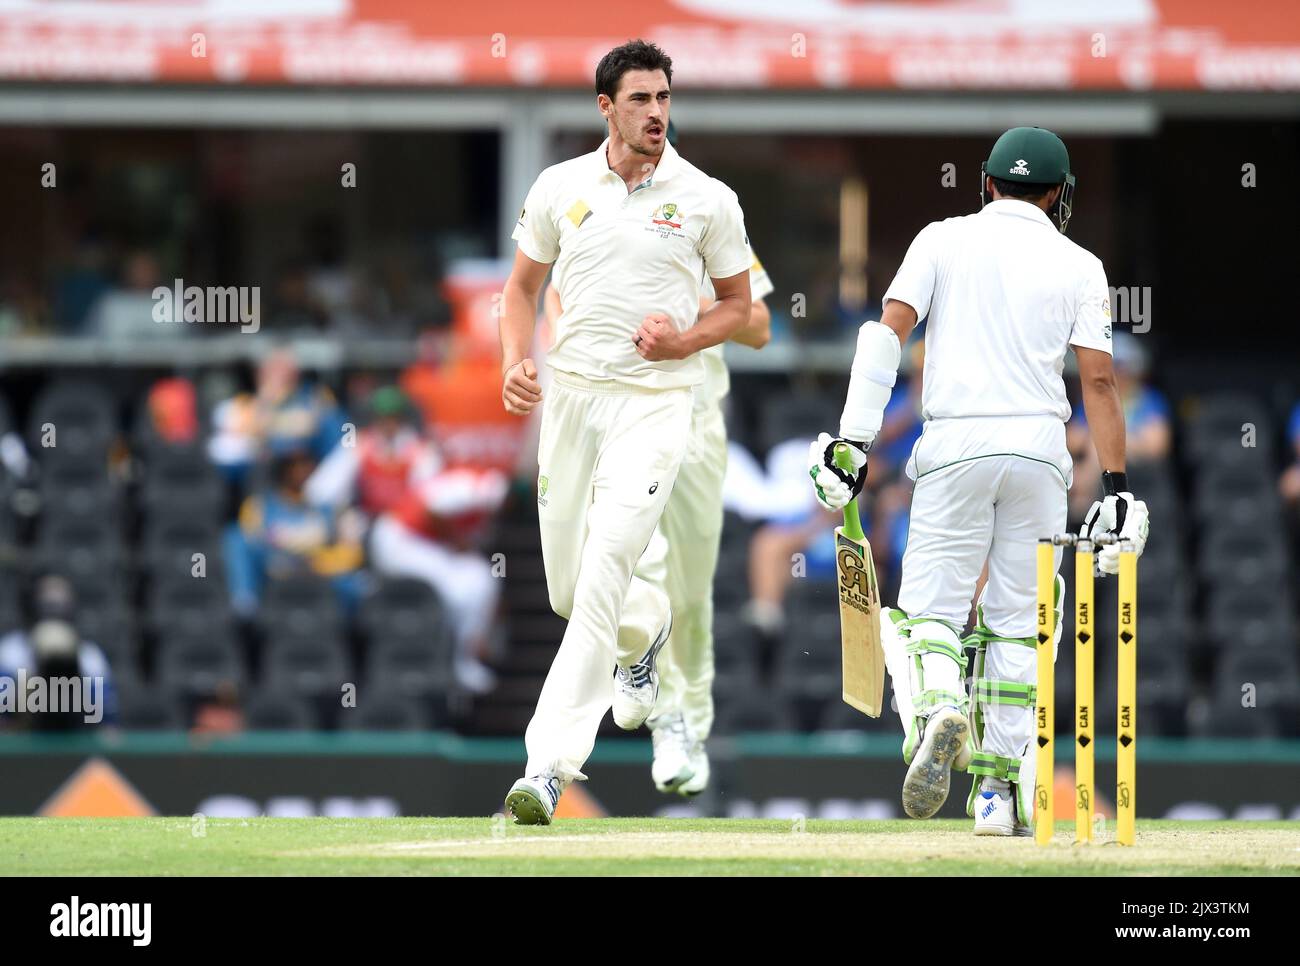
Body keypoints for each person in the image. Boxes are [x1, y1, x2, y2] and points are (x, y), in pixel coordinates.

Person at [808, 127, 1150, 836]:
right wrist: (1117, 486)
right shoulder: (1081, 264)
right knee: (1020, 625)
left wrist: (853, 440)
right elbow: (1099, 381)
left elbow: (885, 334)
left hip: (955, 445)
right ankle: (995, 797)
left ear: (987, 182)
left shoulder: (941, 238)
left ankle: (938, 707)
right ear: (1057, 194)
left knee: (928, 612)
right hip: (1039, 454)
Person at [498, 39, 753, 824]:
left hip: (655, 404)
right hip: (572, 403)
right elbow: (520, 289)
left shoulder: (707, 197)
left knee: (608, 565)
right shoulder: (559, 186)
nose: (655, 113)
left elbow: (741, 309)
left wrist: (683, 341)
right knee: (573, 592)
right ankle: (644, 637)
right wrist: (515, 361)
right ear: (605, 108)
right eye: (639, 100)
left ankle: (548, 767)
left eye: (664, 98)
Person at [543, 117, 774, 795]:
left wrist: (687, 316)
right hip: (618, 423)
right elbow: (556, 304)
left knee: (690, 589)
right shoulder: (581, 214)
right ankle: (648, 698)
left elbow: (757, 323)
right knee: (612, 567)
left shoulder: (703, 210)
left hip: (694, 424)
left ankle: (685, 722)